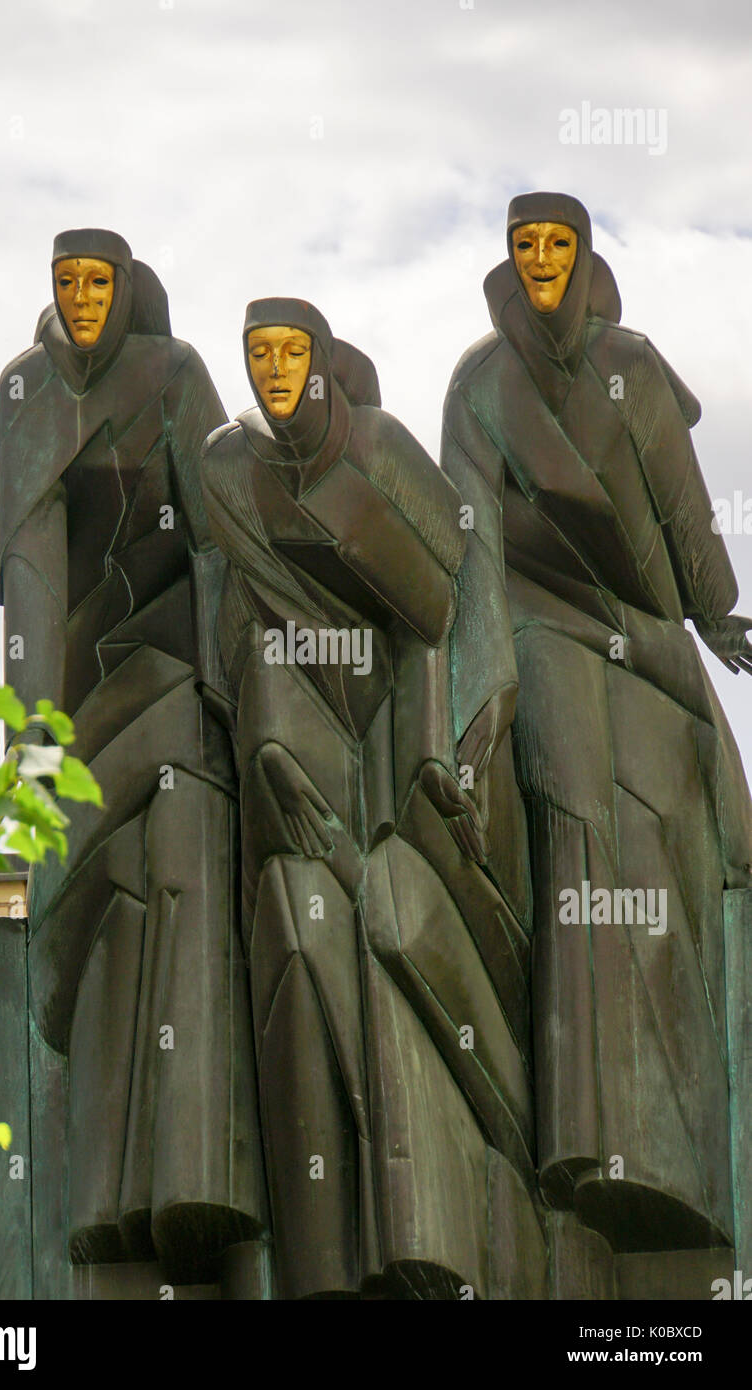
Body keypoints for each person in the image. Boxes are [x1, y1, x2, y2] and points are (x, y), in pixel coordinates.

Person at [200, 297, 544, 1298]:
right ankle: (320, 1262)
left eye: (290, 351)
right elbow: (254, 632)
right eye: (256, 352)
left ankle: (424, 1229)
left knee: (391, 944)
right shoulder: (227, 470)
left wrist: (440, 755)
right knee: (303, 940)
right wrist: (270, 740)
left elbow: (445, 602)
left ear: (321, 364)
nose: (271, 368)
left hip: (402, 734)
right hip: (298, 744)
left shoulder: (384, 447)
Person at [441, 191, 752, 1255]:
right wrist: (479, 695)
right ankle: (586, 1132)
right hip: (537, 625)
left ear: (582, 258)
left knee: (668, 841)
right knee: (574, 806)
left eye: (555, 244)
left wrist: (717, 613)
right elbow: (469, 546)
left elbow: (680, 503)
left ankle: (677, 1142)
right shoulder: (480, 383)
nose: (538, 260)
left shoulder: (633, 366)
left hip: (643, 633)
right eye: (522, 244)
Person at [0, 228, 267, 1283]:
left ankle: (201, 1174)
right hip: (81, 702)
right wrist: (29, 732)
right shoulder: (26, 390)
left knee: (184, 874)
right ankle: (111, 1194)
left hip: (176, 669)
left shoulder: (176, 374)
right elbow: (29, 557)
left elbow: (215, 538)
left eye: (98, 280)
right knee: (101, 911)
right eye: (65, 282)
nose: (82, 298)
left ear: (125, 289)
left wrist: (225, 690)